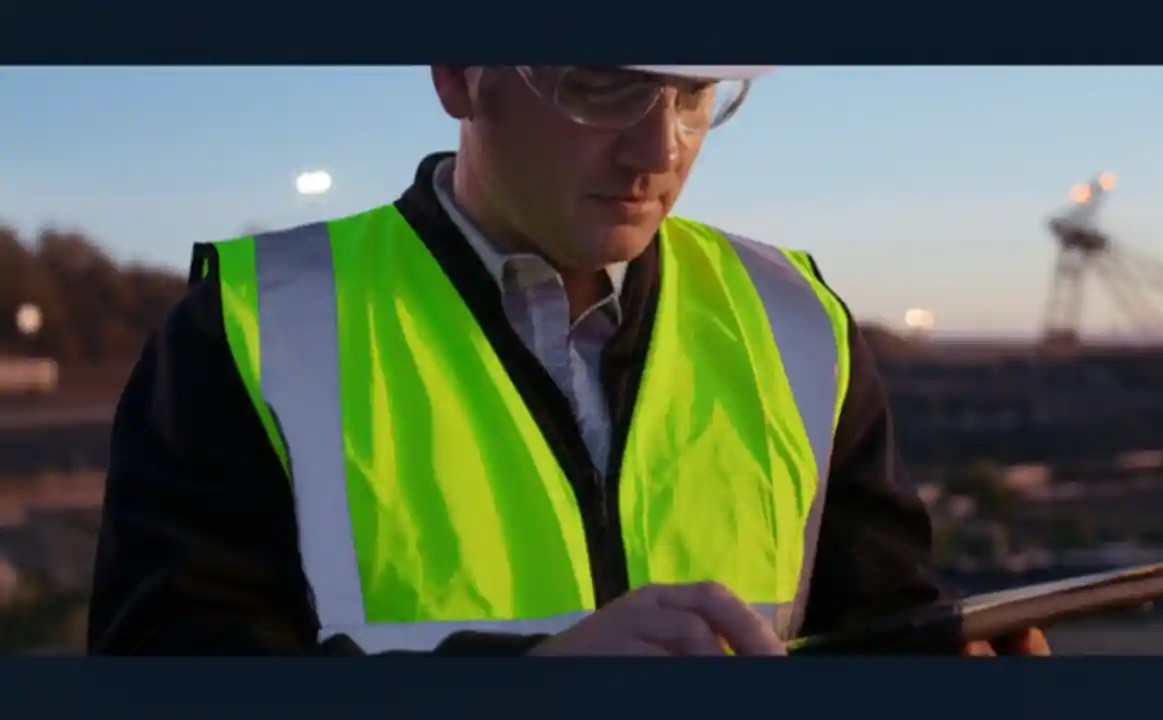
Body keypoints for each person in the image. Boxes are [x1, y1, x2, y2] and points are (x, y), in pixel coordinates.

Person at [87, 65, 1049, 657]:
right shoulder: (253, 329)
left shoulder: (799, 322)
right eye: (604, 82)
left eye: (692, 93)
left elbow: (872, 617)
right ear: (461, 73)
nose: (658, 146)